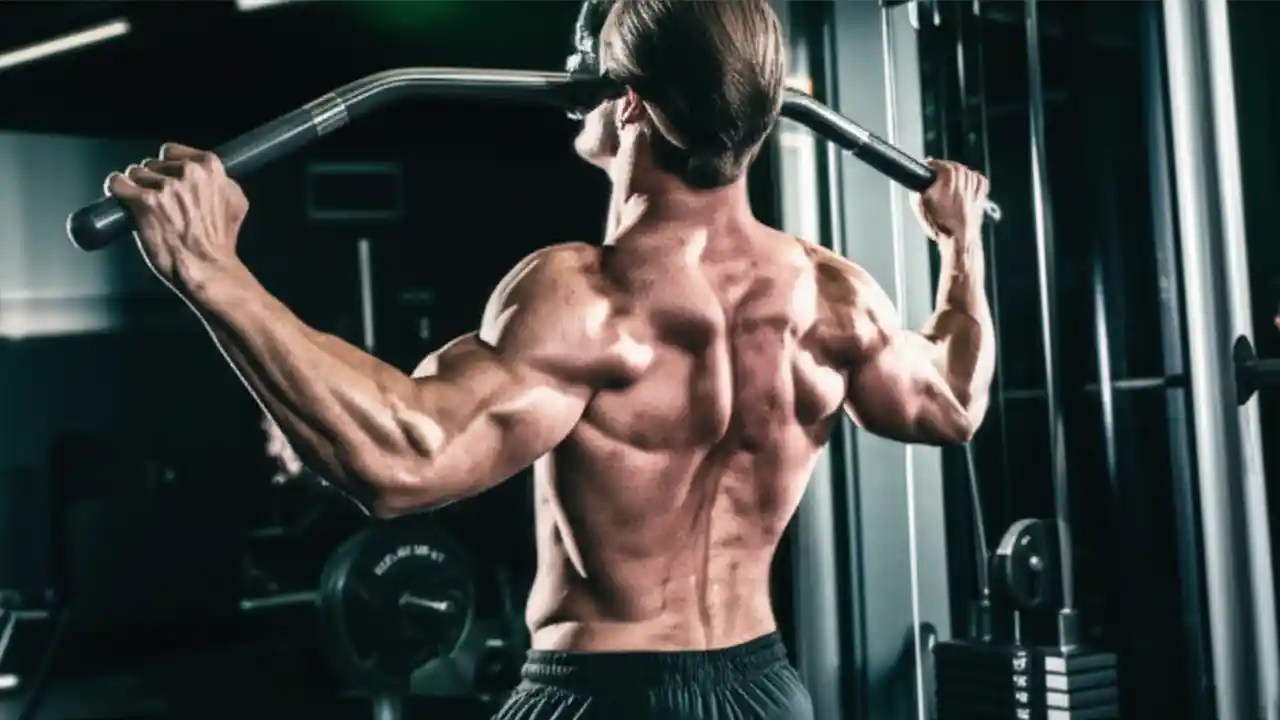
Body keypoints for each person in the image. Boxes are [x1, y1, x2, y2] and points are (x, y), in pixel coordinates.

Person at [105, 0, 994, 717]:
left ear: (633, 103)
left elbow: (401, 461)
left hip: (602, 694)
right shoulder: (835, 296)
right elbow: (953, 402)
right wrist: (961, 251)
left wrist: (213, 272)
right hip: (767, 693)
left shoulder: (588, 297)